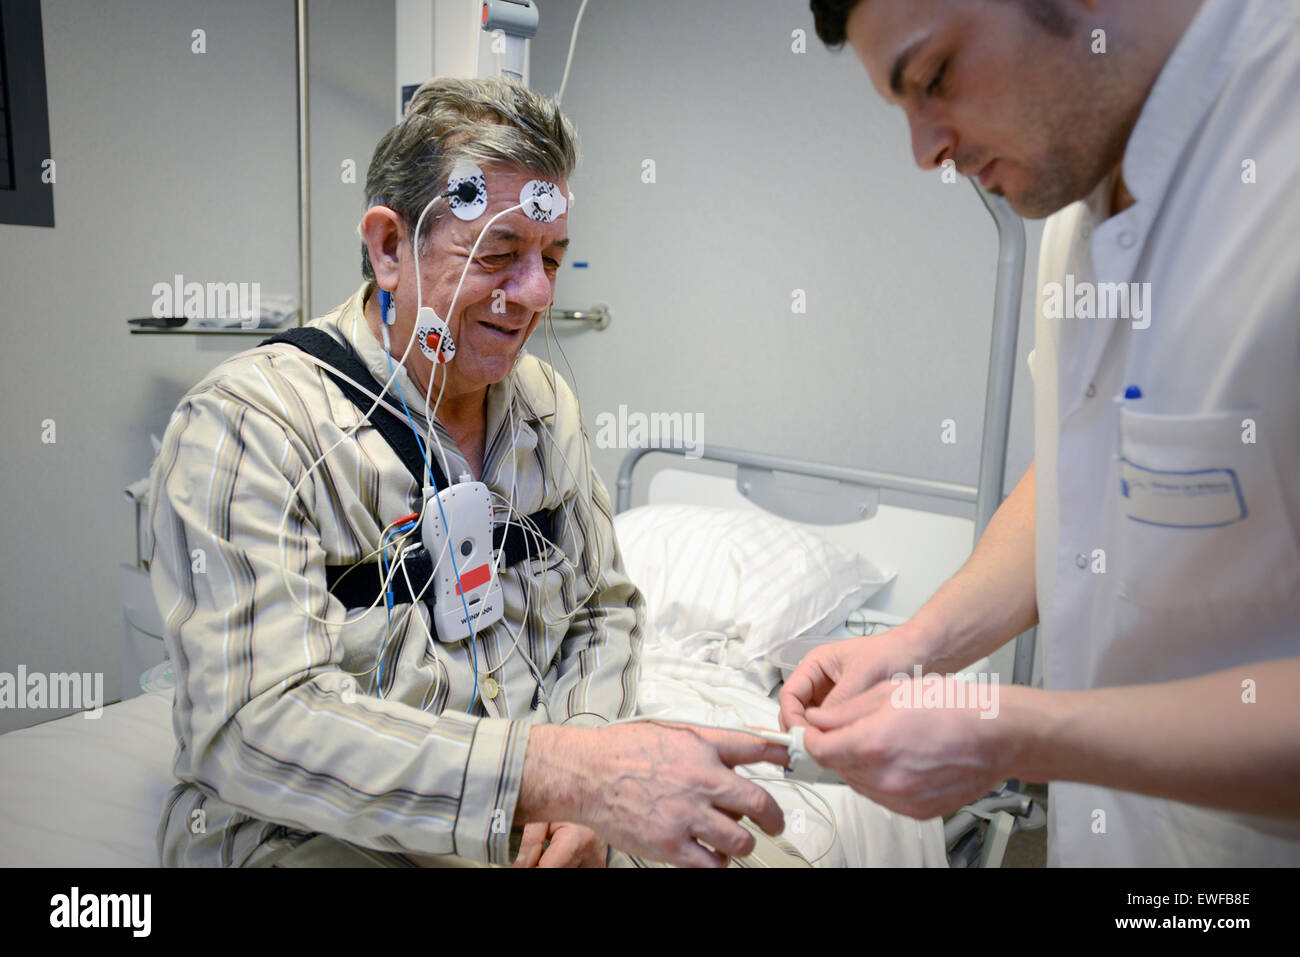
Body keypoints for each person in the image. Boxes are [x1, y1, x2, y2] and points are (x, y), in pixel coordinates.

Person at [148, 76, 794, 868]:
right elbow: (257, 727)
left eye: (552, 258)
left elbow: (603, 610)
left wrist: (586, 777)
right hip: (324, 832)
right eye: (498, 254)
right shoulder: (250, 424)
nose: (536, 295)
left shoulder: (544, 408)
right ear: (390, 248)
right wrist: (552, 777)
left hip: (537, 815)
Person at [782, 0, 1300, 865]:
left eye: (936, 77)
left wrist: (1012, 731)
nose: (926, 153)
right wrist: (918, 646)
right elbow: (1084, 474)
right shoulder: (1074, 196)